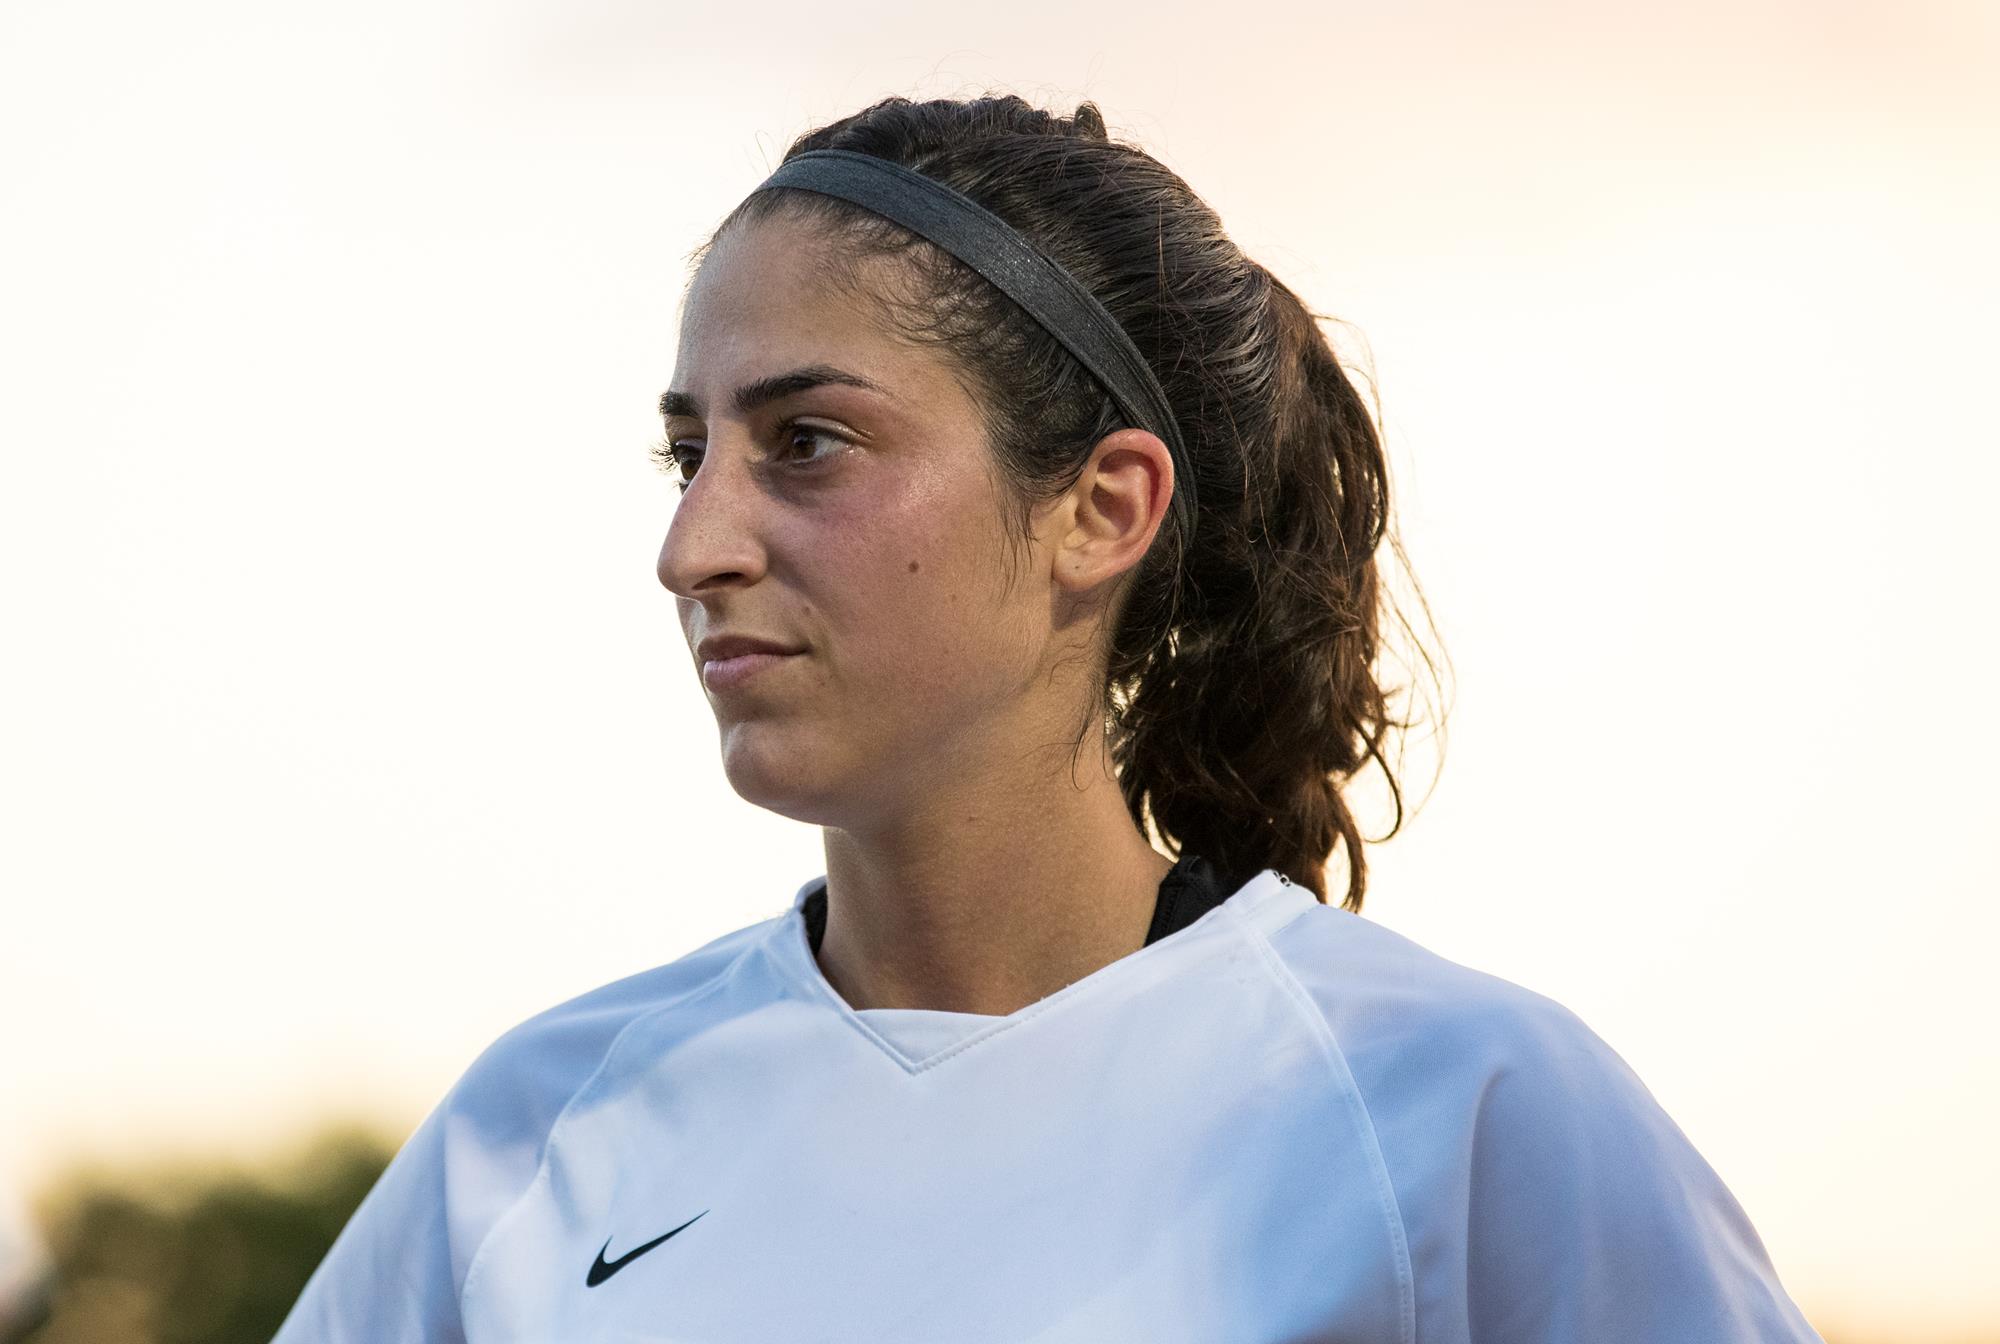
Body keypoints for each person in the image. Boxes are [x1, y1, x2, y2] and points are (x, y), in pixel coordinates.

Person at [273, 93, 1824, 1342]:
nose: (695, 547)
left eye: (807, 441)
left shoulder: (1461, 1115)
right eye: (690, 453)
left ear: (1102, 508)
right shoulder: (535, 1139)